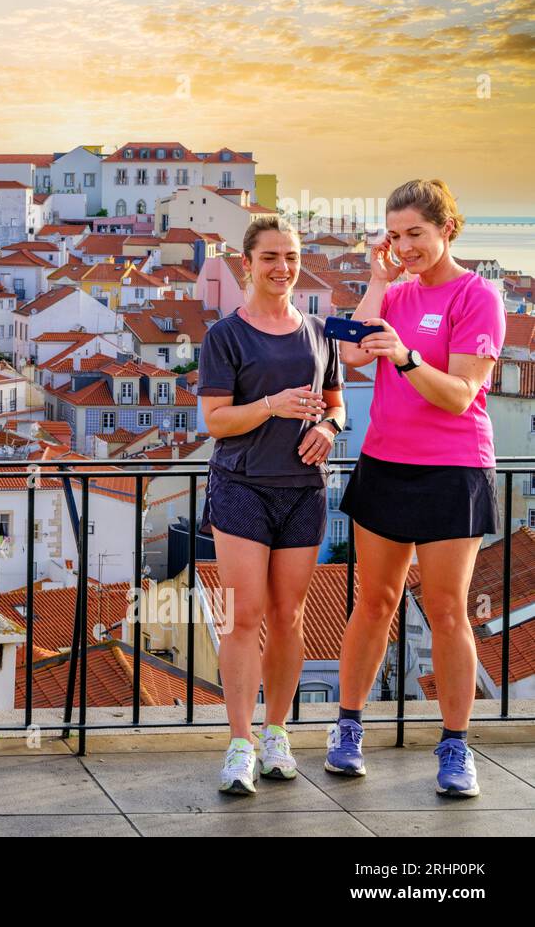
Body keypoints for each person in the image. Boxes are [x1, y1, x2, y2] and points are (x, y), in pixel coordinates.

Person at [331, 179, 504, 798]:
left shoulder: (478, 295)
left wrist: (404, 359)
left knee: (447, 610)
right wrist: (378, 281)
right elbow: (350, 359)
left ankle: (456, 748)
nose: (404, 246)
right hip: (384, 462)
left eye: (416, 235)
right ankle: (348, 730)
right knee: (372, 603)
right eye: (395, 235)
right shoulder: (395, 292)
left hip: (452, 469)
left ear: (446, 229)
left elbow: (459, 396)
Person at [199, 214, 345, 794]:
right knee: (245, 616)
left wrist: (331, 430)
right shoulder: (225, 336)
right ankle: (240, 743)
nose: (282, 267)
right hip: (241, 487)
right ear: (247, 265)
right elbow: (215, 420)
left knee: (289, 616)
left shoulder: (318, 332)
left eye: (290, 256)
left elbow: (337, 404)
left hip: (304, 489)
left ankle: (277, 732)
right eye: (270, 257)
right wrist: (272, 405)